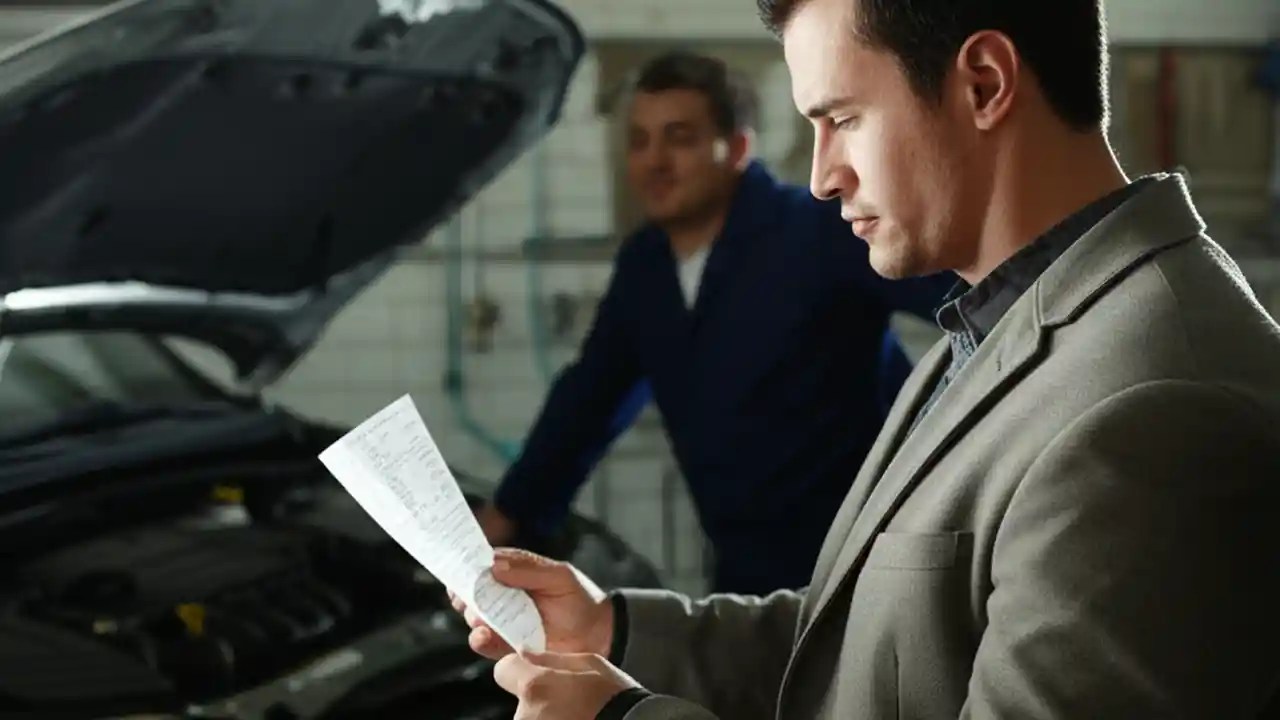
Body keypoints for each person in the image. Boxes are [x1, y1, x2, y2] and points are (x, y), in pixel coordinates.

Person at [453, 0, 1280, 718]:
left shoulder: (1158, 408)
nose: (819, 177)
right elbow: (863, 655)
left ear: (985, 82)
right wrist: (612, 630)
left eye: (842, 119)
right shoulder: (977, 335)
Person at [477, 50, 952, 595]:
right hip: (747, 581)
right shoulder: (646, 268)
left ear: (738, 149)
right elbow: (587, 402)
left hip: (876, 568)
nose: (654, 161)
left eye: (679, 137)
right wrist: (508, 515)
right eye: (639, 141)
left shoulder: (816, 232)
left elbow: (974, 300)